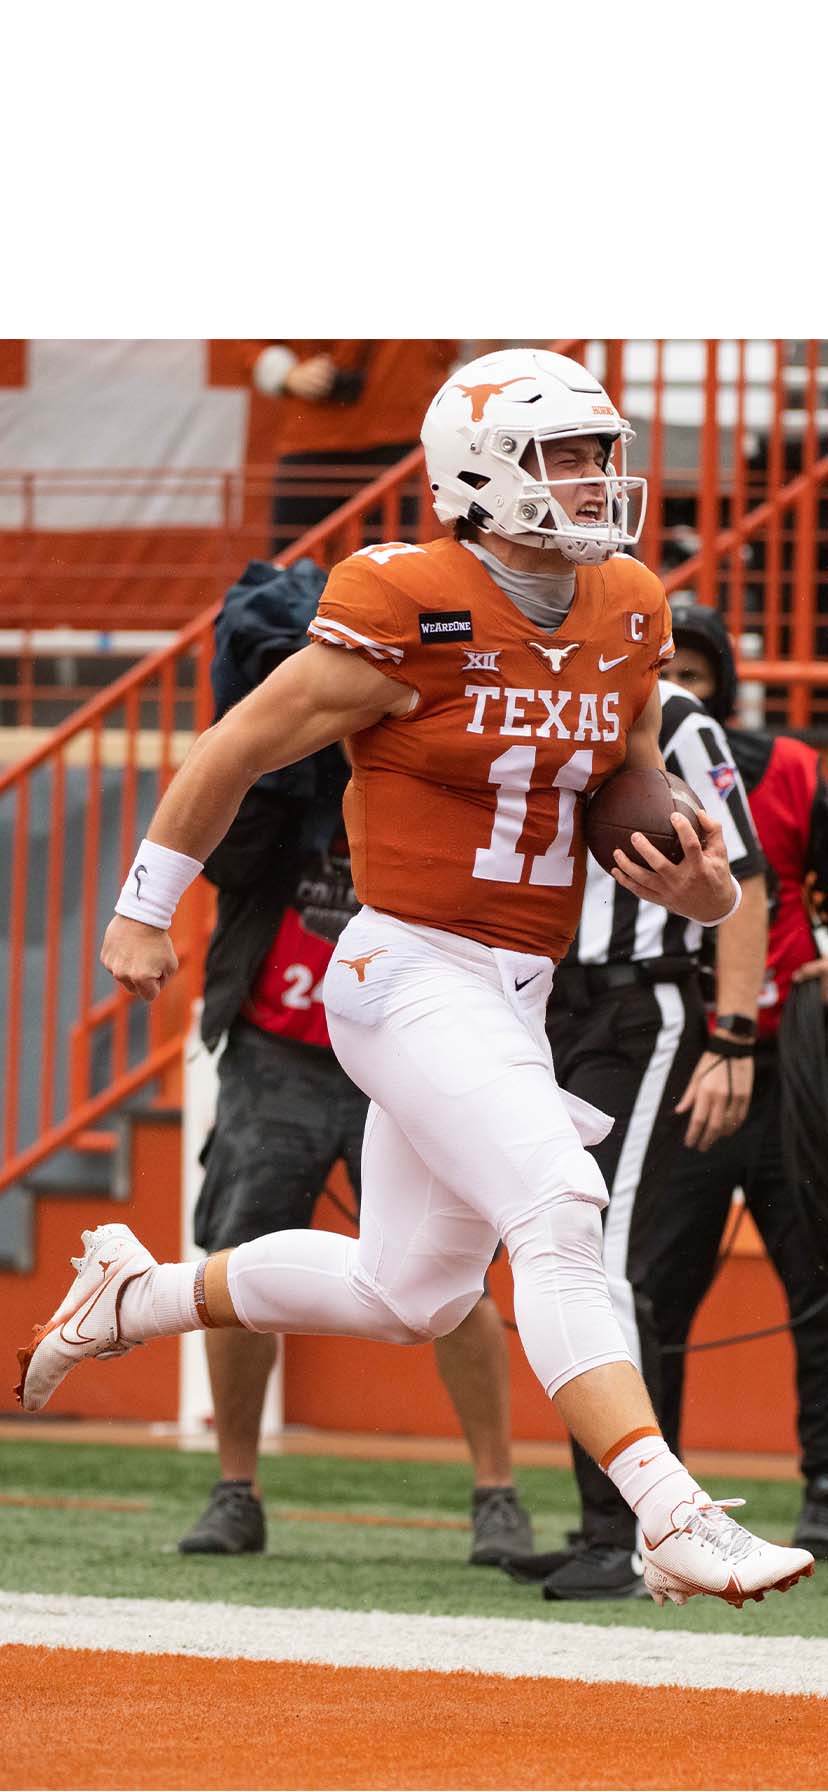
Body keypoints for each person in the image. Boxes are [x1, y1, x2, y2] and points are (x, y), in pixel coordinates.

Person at [17, 347, 815, 1611]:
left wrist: (705, 891)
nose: (598, 477)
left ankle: (141, 1292)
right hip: (403, 967)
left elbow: (632, 786)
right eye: (564, 453)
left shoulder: (628, 609)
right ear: (481, 474)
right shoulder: (408, 602)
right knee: (560, 1210)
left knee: (408, 1291)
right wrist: (141, 909)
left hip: (514, 988)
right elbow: (235, 745)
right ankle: (668, 1511)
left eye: (602, 450)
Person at [179, 555, 533, 1563]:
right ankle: (235, 1484)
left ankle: (496, 1492)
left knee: (454, 1270)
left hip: (418, 1038)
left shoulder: (435, 748)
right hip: (283, 1041)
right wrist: (287, 771)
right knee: (243, 1249)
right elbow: (228, 850)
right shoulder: (281, 766)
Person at [501, 650, 768, 1599]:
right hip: (545, 1004)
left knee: (605, 1263)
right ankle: (610, 1522)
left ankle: (635, 1531)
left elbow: (746, 874)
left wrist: (732, 1036)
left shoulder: (678, 719)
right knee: (559, 1252)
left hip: (640, 1008)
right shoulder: (530, 705)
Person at [638, 603, 828, 1562]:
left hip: (786, 1054)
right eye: (684, 674)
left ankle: (826, 1492)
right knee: (652, 1283)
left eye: (707, 677)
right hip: (679, 1052)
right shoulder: (619, 767)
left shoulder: (792, 767)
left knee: (817, 1280)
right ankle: (656, 1503)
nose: (693, 692)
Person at [248, 341, 459, 551]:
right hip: (314, 443)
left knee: (389, 569)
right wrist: (289, 374)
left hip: (394, 444)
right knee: (293, 565)